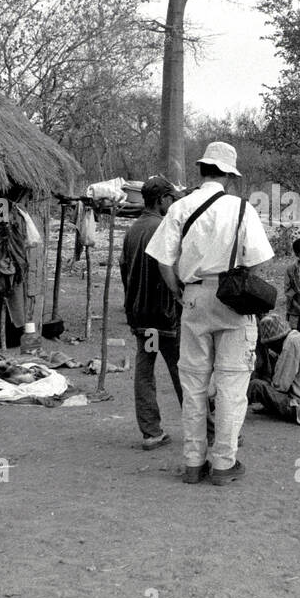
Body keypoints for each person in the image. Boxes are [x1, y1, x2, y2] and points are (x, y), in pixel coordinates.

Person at [145, 141, 274, 485]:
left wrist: (179, 290)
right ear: (230, 176)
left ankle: (192, 462)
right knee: (232, 386)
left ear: (203, 170)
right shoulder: (242, 209)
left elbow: (162, 258)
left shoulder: (180, 207)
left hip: (193, 297)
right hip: (233, 300)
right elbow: (260, 259)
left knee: (194, 385)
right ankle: (223, 464)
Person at [120, 176, 182, 451]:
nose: (173, 202)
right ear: (161, 200)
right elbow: (172, 270)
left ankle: (151, 432)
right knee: (184, 373)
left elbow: (124, 270)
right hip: (165, 317)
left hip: (142, 317)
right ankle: (207, 428)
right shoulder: (163, 229)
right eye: (170, 198)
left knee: (145, 372)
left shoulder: (133, 230)